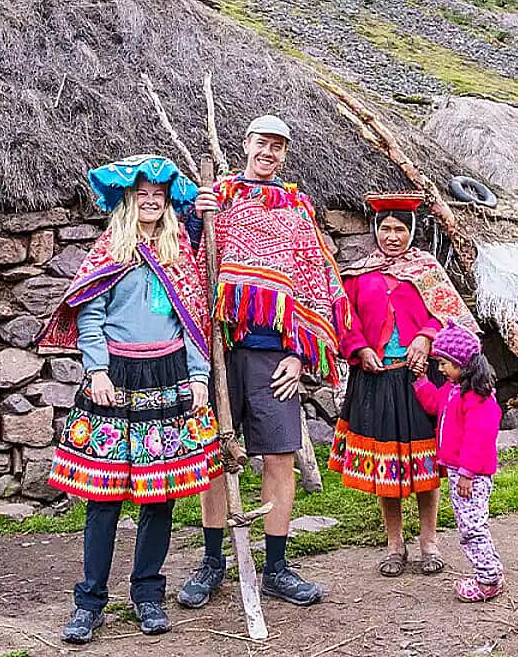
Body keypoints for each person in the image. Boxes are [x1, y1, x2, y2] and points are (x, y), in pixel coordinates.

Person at [38, 156, 223, 644]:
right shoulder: (108, 252)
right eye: (140, 194)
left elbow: (193, 321)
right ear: (127, 200)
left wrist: (199, 375)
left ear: (167, 203)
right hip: (114, 377)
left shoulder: (178, 252)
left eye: (158, 195)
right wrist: (96, 368)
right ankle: (89, 602)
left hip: (167, 377)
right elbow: (90, 314)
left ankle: (147, 595)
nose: (150, 201)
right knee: (103, 499)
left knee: (157, 496)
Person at [177, 115, 350, 609]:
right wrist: (195, 215)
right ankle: (212, 562)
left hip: (274, 352)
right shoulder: (218, 200)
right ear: (245, 144)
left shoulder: (296, 210)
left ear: (284, 154)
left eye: (278, 146)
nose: (268, 152)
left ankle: (276, 566)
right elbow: (185, 262)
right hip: (219, 350)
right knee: (212, 456)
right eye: (262, 143)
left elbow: (313, 280)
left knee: (279, 456)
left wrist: (299, 355)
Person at [328, 193, 478, 578]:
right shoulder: (360, 275)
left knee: (426, 463)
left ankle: (430, 541)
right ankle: (395, 544)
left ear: (411, 231)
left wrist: (427, 336)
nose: (392, 236)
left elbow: (449, 316)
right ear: (376, 230)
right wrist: (359, 348)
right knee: (385, 467)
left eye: (399, 229)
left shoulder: (427, 271)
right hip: (375, 379)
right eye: (385, 228)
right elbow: (345, 321)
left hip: (418, 380)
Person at [413, 321, 504, 602]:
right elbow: (433, 404)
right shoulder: (454, 390)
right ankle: (491, 573)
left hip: (470, 475)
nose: (439, 369)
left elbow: (479, 438)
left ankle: (488, 580)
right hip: (459, 472)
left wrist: (466, 473)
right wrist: (420, 382)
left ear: (462, 363)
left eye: (443, 363)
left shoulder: (478, 398)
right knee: (470, 523)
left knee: (472, 527)